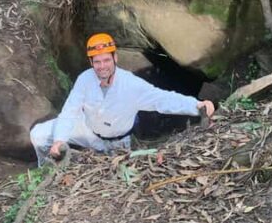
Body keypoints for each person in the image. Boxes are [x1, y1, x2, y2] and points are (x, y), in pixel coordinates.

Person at [30, 32, 215, 165]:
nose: (102, 66)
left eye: (106, 60)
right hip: (88, 131)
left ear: (115, 58)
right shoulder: (85, 79)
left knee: (111, 174)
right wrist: (59, 140)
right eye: (97, 61)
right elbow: (69, 112)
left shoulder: (131, 84)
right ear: (91, 62)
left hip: (117, 142)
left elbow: (163, 100)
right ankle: (49, 169)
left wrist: (197, 105)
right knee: (38, 134)